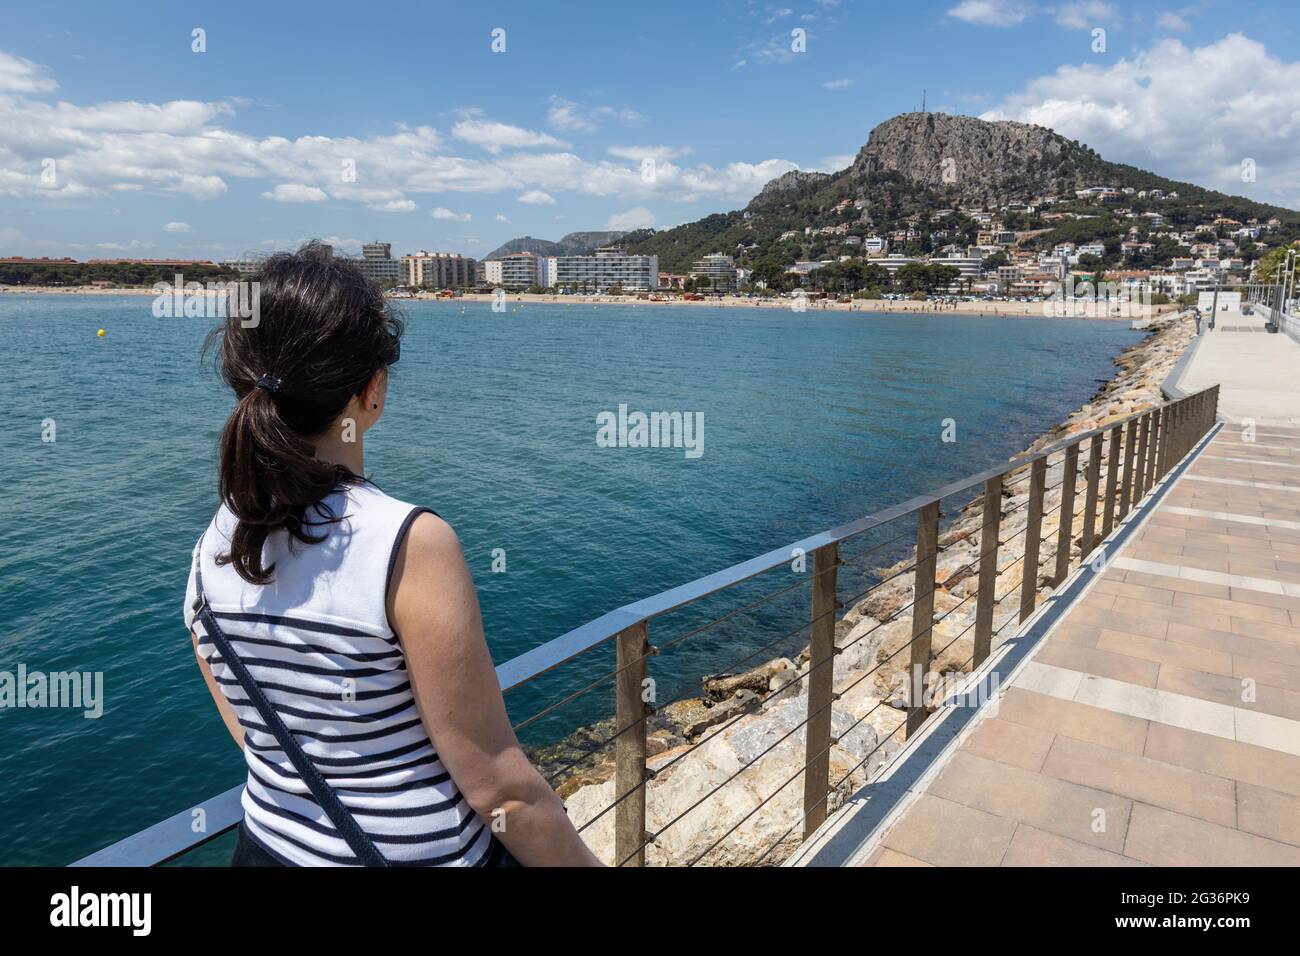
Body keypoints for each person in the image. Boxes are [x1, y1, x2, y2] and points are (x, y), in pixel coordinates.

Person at [185, 242, 601, 867]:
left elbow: (258, 736)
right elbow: (501, 791)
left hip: (267, 850)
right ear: (372, 390)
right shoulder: (408, 544)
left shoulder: (214, 543)